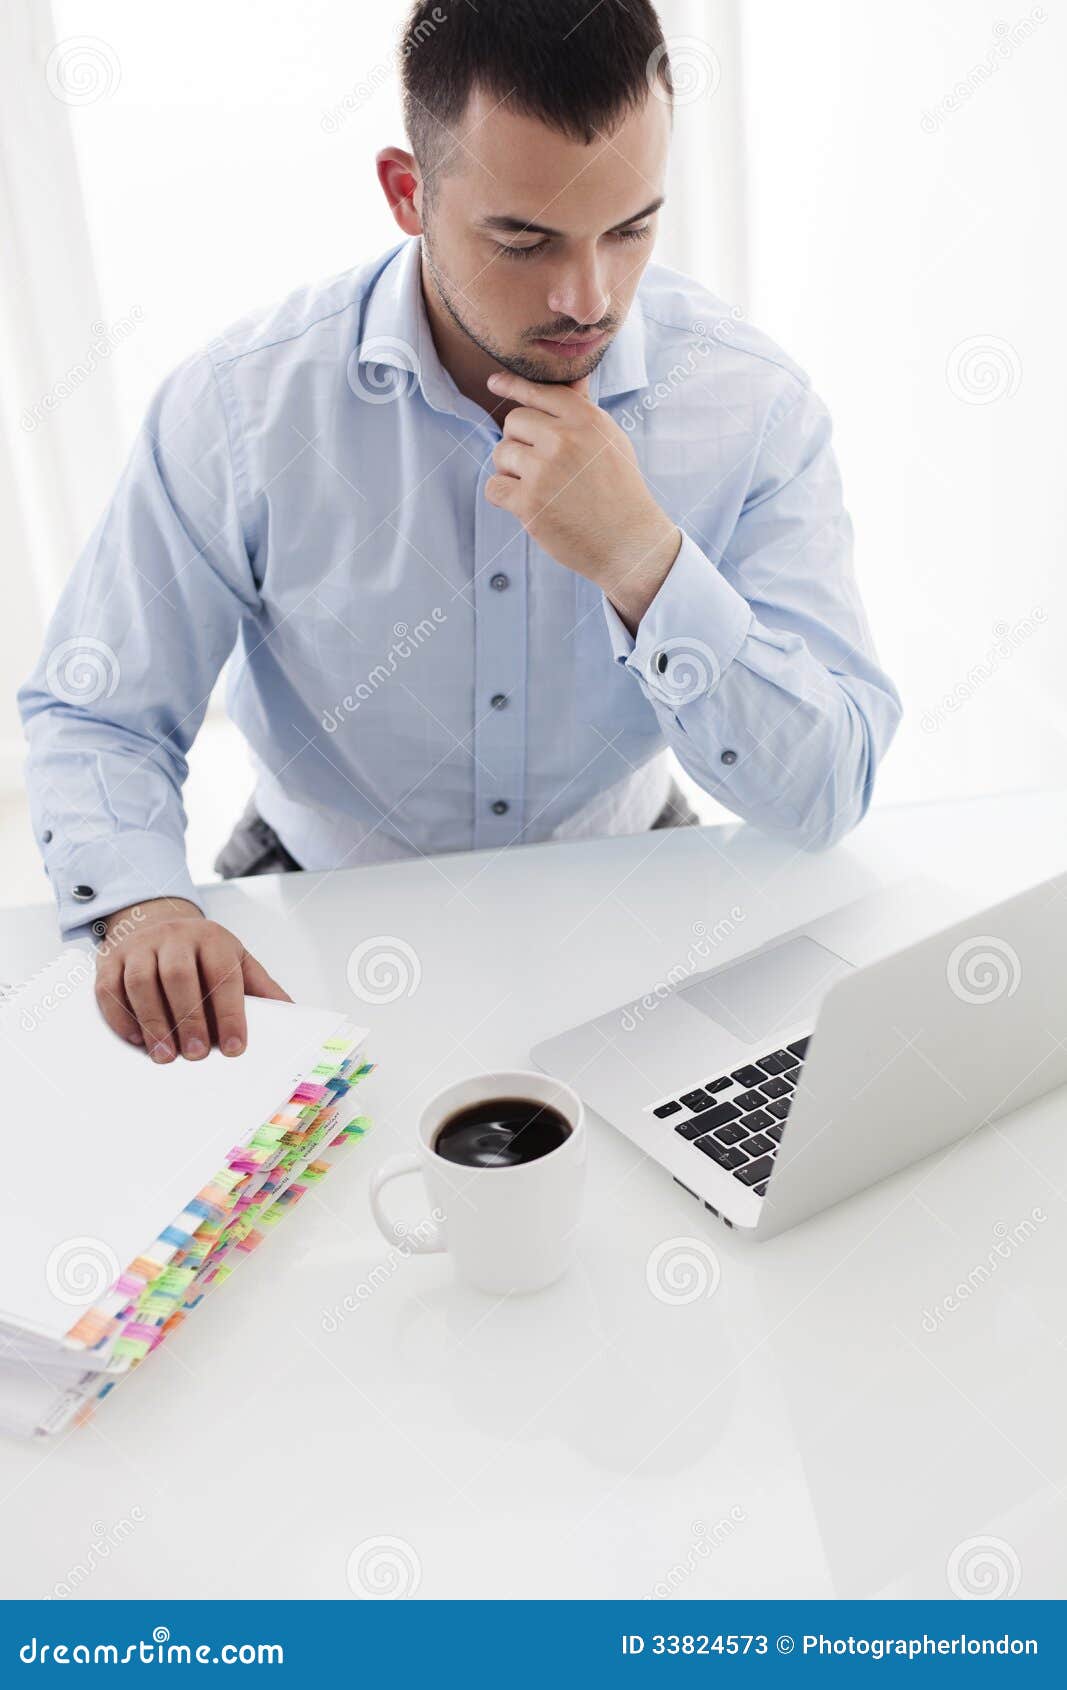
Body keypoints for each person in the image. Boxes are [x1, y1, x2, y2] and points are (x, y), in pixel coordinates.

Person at [18, 0, 900, 1064]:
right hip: (312, 901)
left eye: (629, 229)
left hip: (637, 880)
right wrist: (143, 906)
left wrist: (641, 562)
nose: (587, 296)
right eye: (522, 239)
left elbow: (827, 790)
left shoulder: (750, 407)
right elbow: (98, 709)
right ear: (409, 193)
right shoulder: (239, 409)